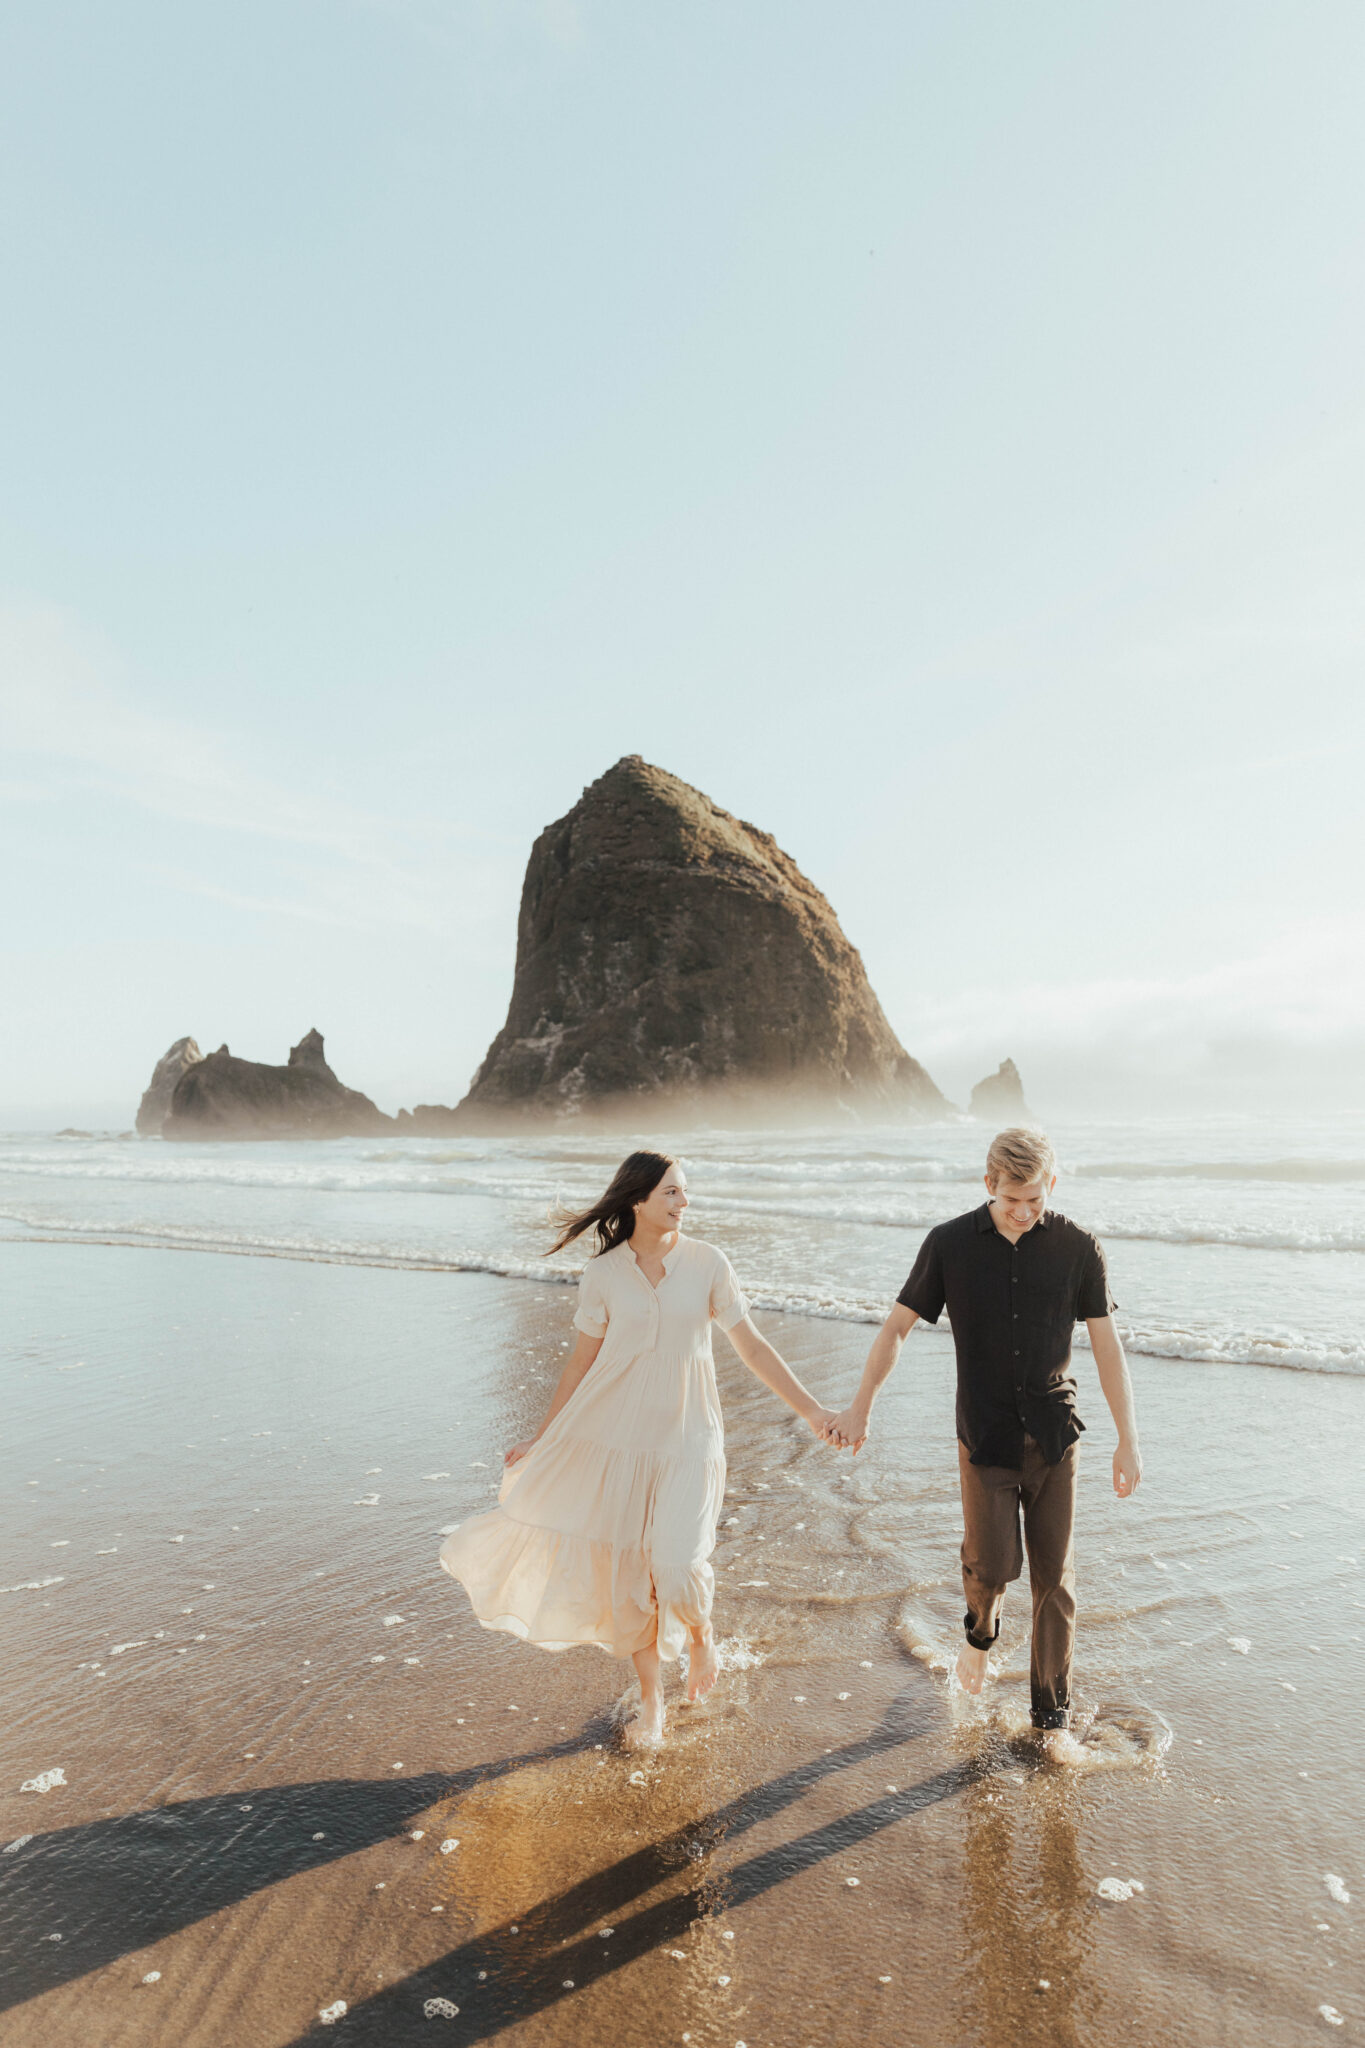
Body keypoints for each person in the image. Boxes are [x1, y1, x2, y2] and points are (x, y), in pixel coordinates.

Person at [439, 1150, 837, 1749]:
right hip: (616, 1438)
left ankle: (701, 1638)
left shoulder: (708, 1264)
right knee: (633, 1574)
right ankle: (653, 1703)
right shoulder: (603, 1274)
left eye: (685, 1192)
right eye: (672, 1193)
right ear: (637, 1201)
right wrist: (543, 1439)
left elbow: (751, 1347)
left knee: (676, 1564)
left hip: (688, 1439)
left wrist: (814, 1413)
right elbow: (581, 1361)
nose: (684, 1203)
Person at [822, 1126, 1142, 1740]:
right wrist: (860, 1406)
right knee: (993, 1566)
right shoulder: (949, 1244)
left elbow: (1106, 1344)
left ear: (1052, 1184)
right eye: (1010, 1200)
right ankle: (981, 1631)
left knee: (1056, 1581)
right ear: (988, 1184)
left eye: (1035, 1200)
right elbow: (895, 1330)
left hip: (1054, 1438)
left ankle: (1051, 1716)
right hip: (985, 1438)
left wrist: (1129, 1438)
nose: (1023, 1213)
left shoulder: (1079, 1248)